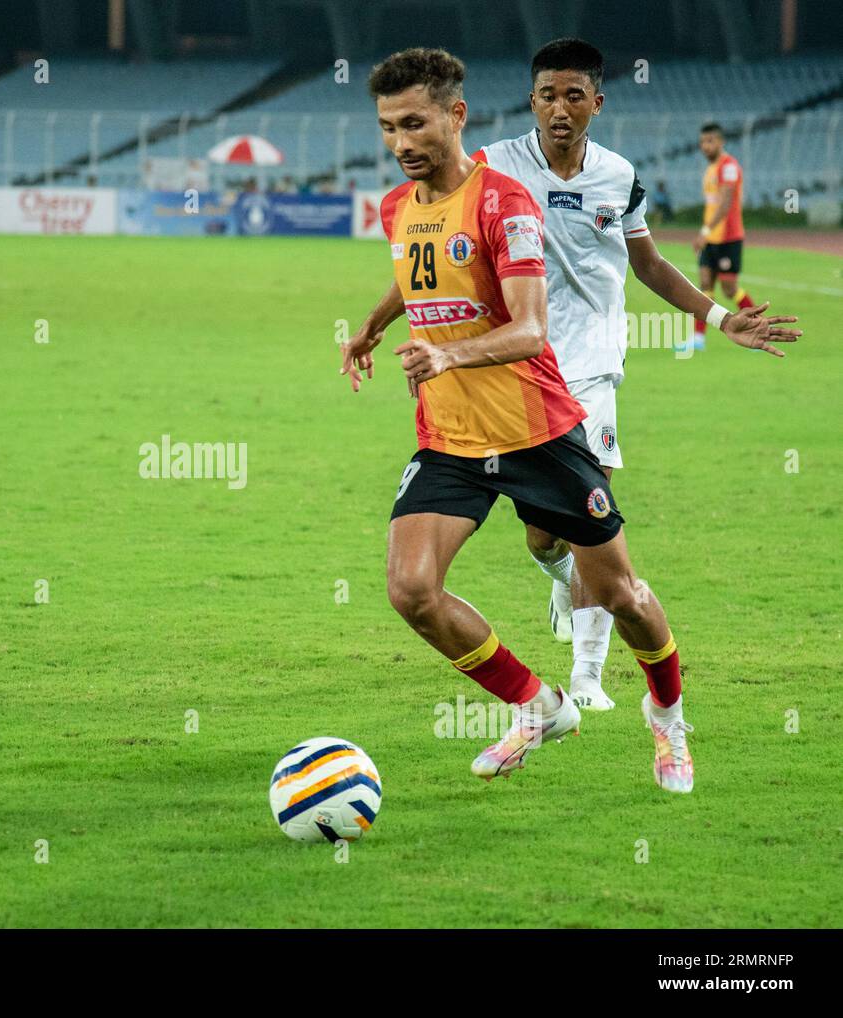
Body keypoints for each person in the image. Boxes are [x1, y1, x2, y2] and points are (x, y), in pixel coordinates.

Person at [339, 47, 696, 792]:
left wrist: (449, 357)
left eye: (415, 123)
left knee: (625, 597)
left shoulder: (505, 200)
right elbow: (417, 273)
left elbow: (532, 330)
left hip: (538, 432)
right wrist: (372, 327)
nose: (401, 142)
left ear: (454, 115)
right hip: (452, 437)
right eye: (387, 128)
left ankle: (667, 719)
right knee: (412, 590)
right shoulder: (396, 206)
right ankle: (540, 705)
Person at [474, 38, 799, 711]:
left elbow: (647, 262)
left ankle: (588, 676)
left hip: (591, 374)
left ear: (597, 101)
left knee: (592, 523)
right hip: (517, 370)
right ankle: (560, 582)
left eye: (572, 95)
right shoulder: (492, 166)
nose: (558, 108)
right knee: (543, 535)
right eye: (545, 95)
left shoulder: (619, 177)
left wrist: (717, 317)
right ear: (531, 101)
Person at [689, 122, 756, 351]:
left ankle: (757, 329)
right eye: (702, 143)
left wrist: (704, 232)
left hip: (728, 238)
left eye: (710, 141)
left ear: (721, 141)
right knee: (705, 285)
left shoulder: (729, 167)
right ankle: (698, 339)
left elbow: (726, 204)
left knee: (729, 288)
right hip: (710, 240)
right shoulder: (710, 169)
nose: (705, 147)